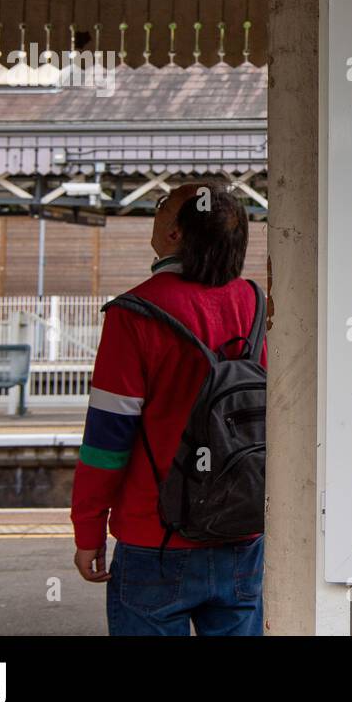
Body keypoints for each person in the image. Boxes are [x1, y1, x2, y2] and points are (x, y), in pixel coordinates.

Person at [71, 183, 266, 635]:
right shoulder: (255, 306)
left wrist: (87, 530)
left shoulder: (135, 314)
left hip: (153, 539)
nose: (155, 212)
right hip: (241, 534)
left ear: (175, 233)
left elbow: (107, 440)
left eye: (162, 206)